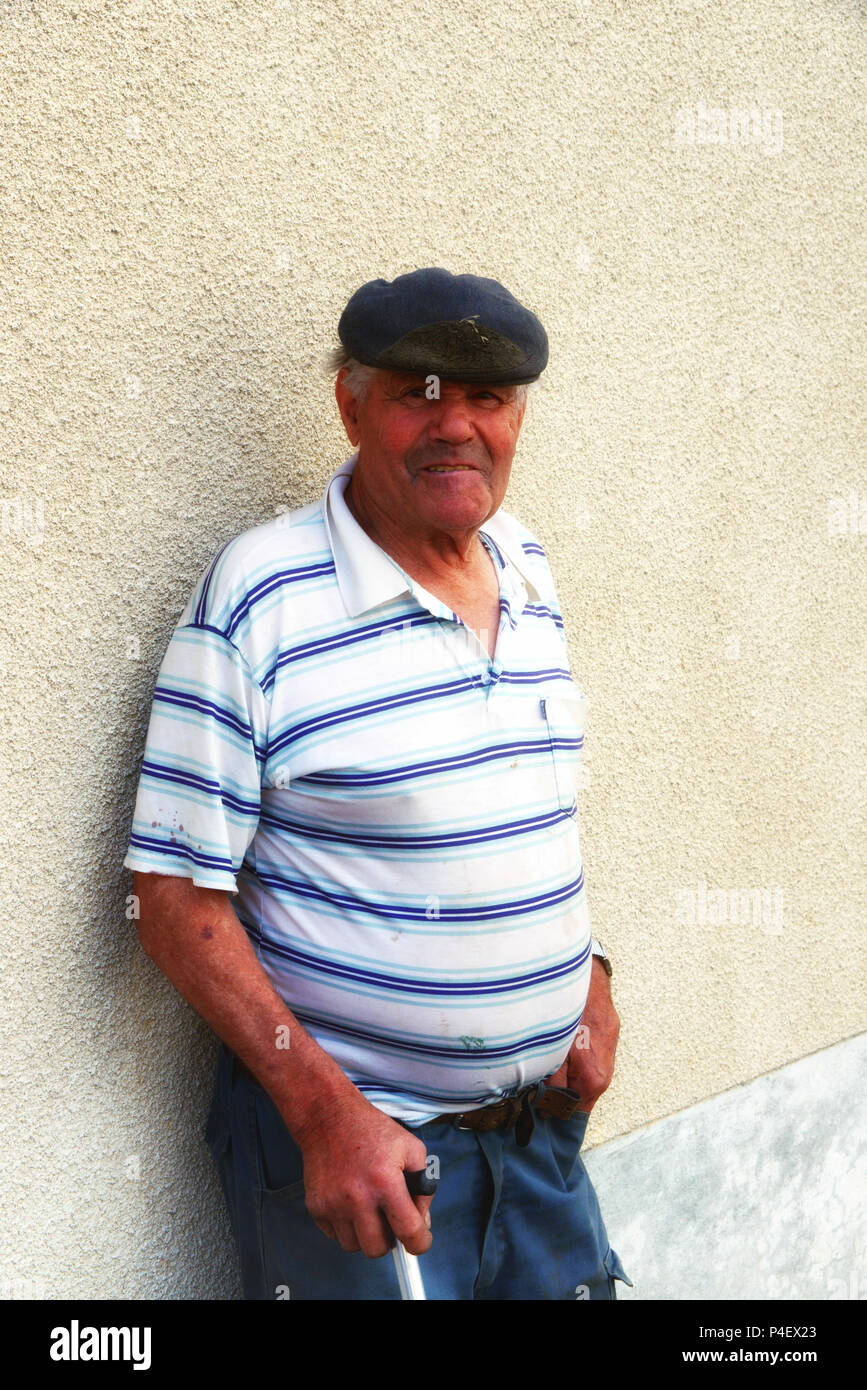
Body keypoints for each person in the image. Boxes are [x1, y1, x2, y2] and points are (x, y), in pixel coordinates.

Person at [124, 267, 632, 1300]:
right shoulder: (262, 596)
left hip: (538, 1146)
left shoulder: (526, 566)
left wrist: (589, 975)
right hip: (371, 1159)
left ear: (518, 415)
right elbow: (172, 898)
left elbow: (518, 812)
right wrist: (325, 1117)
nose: (457, 426)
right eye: (419, 393)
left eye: (486, 397)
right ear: (350, 404)